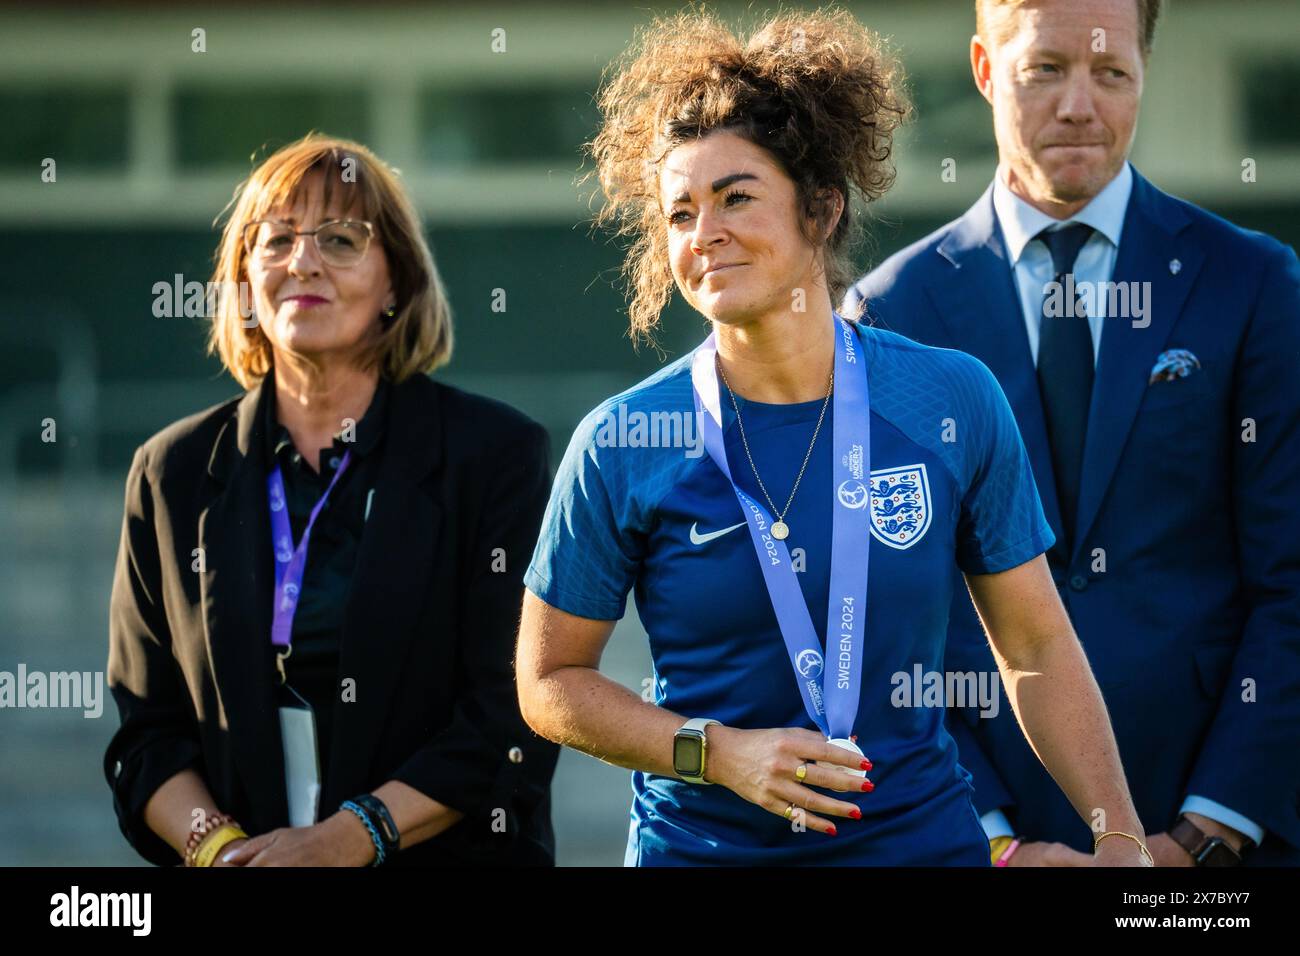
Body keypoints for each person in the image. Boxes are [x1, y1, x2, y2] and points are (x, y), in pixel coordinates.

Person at [516, 8, 1150, 866]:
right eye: (680, 213)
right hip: (698, 853)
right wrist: (717, 753)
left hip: (921, 848)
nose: (705, 234)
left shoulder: (950, 397)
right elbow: (550, 682)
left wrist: (1119, 836)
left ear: (821, 208)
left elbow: (1035, 644)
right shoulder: (623, 440)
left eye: (737, 197)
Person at [844, 0, 1300, 866]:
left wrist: (1206, 834)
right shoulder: (887, 315)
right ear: (985, 69)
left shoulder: (1252, 284)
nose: (1080, 105)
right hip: (977, 828)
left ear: (1144, 74)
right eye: (1045, 69)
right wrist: (994, 844)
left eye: (1111, 73)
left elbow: (1294, 582)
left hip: (1212, 834)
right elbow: (877, 619)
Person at [104, 134, 558, 867]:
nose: (302, 262)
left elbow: (514, 717)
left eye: (340, 239)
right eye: (276, 240)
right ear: (245, 278)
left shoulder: (494, 456)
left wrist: (349, 839)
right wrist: (221, 852)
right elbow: (145, 737)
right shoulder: (170, 473)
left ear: (396, 285)